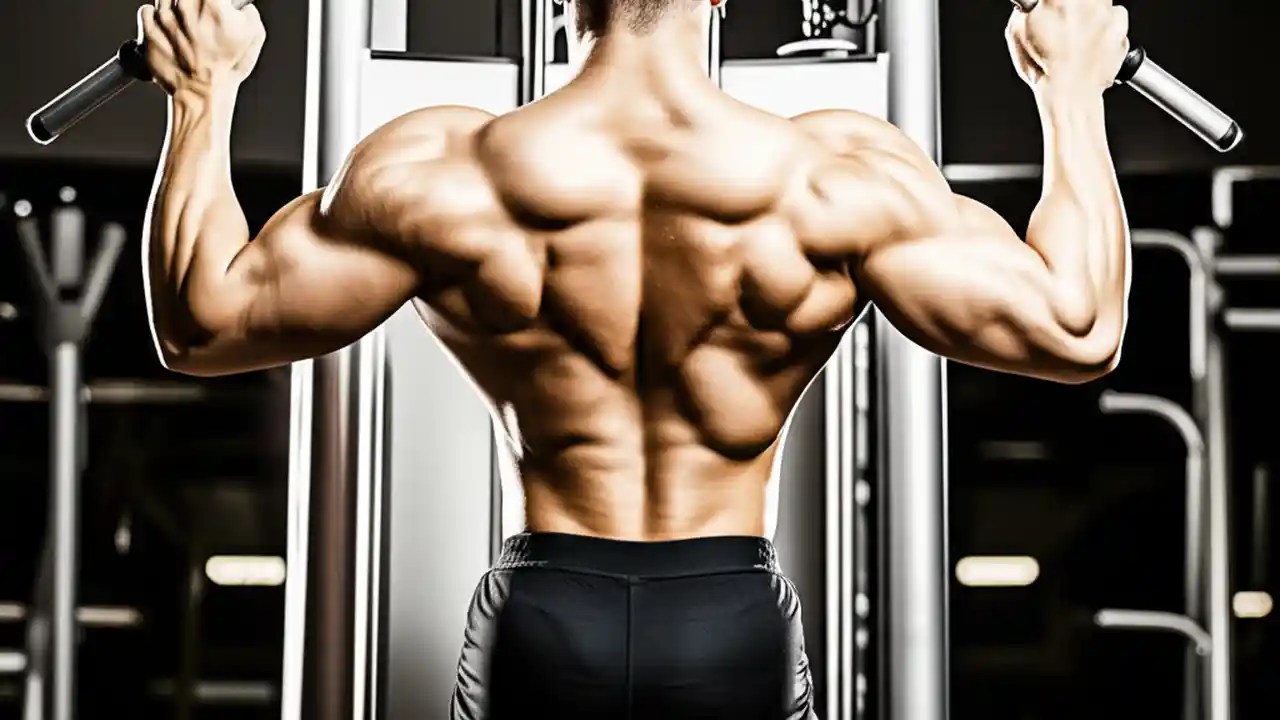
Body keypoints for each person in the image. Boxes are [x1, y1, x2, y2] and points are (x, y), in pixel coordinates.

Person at [136, 0, 1131, 716]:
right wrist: (1070, 88)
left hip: (544, 612)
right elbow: (1078, 329)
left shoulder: (442, 172)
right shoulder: (833, 177)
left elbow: (204, 324)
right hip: (728, 612)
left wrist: (202, 91)